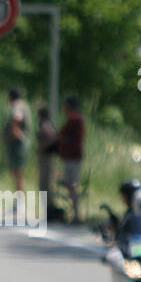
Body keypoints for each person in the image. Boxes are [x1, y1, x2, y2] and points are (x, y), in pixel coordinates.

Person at [56, 95, 86, 224]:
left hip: (73, 157)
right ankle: (74, 213)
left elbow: (71, 138)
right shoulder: (73, 119)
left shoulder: (75, 119)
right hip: (70, 157)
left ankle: (77, 215)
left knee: (72, 185)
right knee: (69, 184)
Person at [3, 88, 30, 193]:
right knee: (17, 172)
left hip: (17, 143)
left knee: (17, 172)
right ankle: (19, 198)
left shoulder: (17, 105)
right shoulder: (23, 105)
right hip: (18, 143)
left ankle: (20, 199)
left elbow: (17, 117)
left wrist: (14, 131)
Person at [35, 105, 57, 202]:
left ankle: (48, 204)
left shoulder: (44, 124)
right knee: (46, 181)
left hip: (46, 156)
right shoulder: (48, 123)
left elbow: (52, 137)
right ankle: (48, 204)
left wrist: (42, 147)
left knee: (45, 182)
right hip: (47, 156)